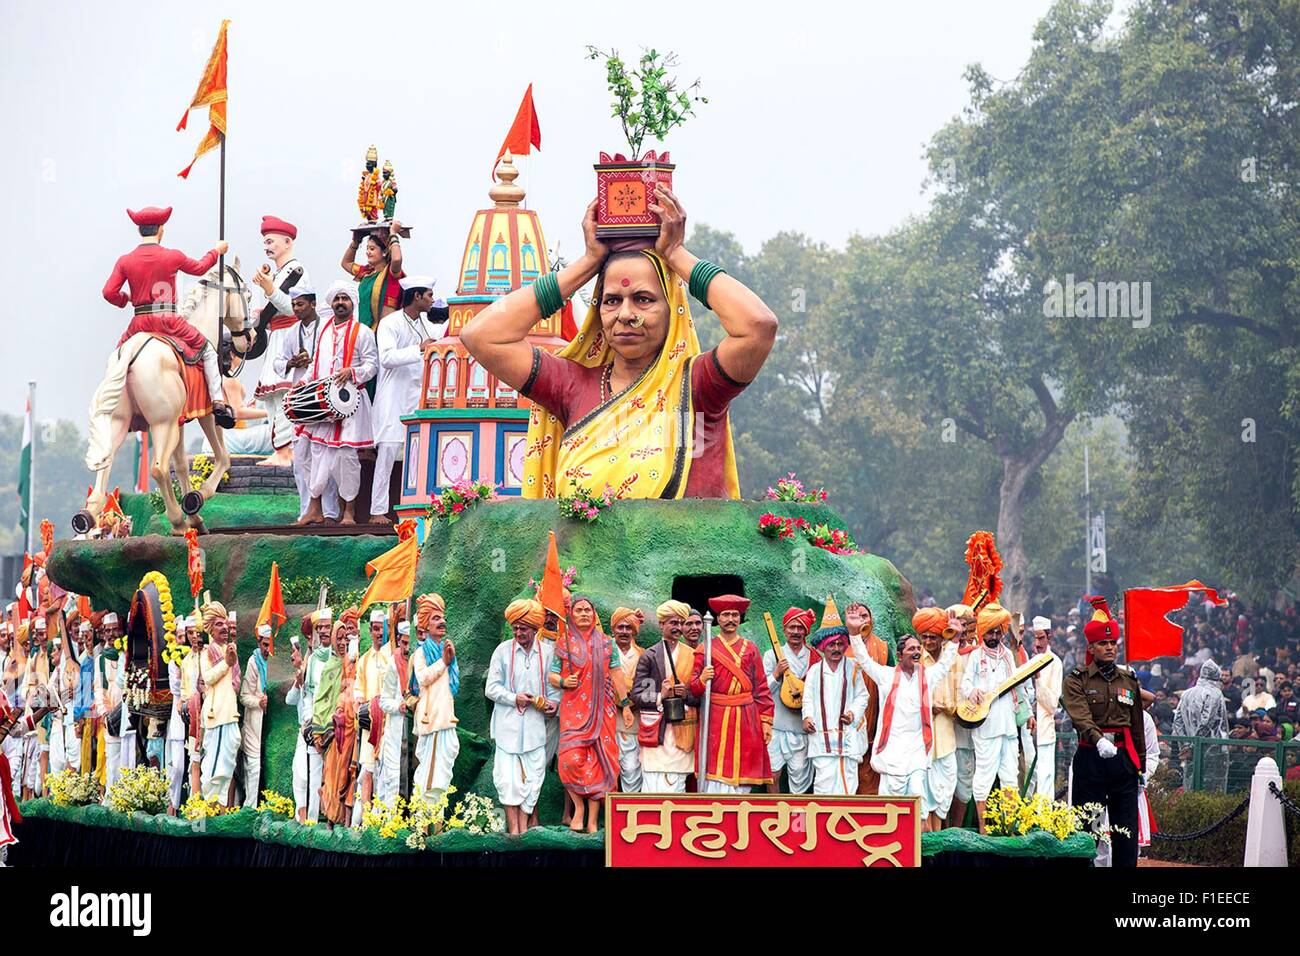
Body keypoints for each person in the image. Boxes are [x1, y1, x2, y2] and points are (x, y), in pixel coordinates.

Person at [461, 186, 777, 500]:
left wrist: (675, 254)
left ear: (673, 309)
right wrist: (587, 263)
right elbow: (481, 336)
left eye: (643, 299)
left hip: (686, 551)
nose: (626, 314)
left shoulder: (697, 387)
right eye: (612, 300)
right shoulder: (572, 387)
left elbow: (758, 326)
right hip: (583, 553)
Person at [102, 206, 233, 424]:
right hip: (169, 321)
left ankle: (112, 407)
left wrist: (125, 298)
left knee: (117, 359)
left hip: (139, 323)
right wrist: (216, 251)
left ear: (139, 231)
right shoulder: (172, 256)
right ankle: (218, 401)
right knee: (208, 350)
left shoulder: (125, 260)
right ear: (161, 229)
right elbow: (200, 268)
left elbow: (108, 292)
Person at [1063, 595, 1146, 867]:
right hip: (1091, 761)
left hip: (1123, 762)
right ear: (1092, 647)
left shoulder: (1129, 679)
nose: (1110, 648)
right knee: (1086, 829)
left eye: (1113, 643)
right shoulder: (1077, 679)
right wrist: (1099, 740)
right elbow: (1080, 716)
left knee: (1126, 831)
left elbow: (1136, 726)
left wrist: (1140, 767)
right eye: (1103, 643)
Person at [857, 625, 959, 828]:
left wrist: (955, 640)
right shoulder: (886, 676)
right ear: (899, 654)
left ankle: (920, 846)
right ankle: (890, 838)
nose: (916, 652)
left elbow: (945, 663)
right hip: (893, 748)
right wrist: (854, 635)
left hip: (917, 748)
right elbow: (864, 661)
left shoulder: (927, 676)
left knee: (917, 792)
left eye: (917, 648)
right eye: (911, 649)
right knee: (893, 798)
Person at [294, 281, 379, 526]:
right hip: (322, 403)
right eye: (337, 299)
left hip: (349, 404)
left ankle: (349, 513)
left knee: (346, 457)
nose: (340, 302)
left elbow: (372, 366)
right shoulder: (324, 331)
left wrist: (353, 372)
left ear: (353, 303)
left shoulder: (362, 332)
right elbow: (315, 364)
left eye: (345, 298)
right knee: (315, 454)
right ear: (331, 303)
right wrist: (305, 382)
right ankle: (314, 509)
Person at [550, 597, 627, 831]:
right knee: (570, 760)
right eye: (579, 610)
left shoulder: (607, 644)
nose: (584, 614)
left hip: (603, 711)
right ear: (571, 615)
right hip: (573, 710)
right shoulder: (563, 644)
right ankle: (578, 808)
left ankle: (592, 819)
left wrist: (627, 704)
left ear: (594, 615)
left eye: (588, 610)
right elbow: (552, 675)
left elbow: (617, 676)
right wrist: (563, 681)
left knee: (601, 762)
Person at [370, 275, 440, 524]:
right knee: (388, 453)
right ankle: (377, 511)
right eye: (429, 295)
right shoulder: (390, 323)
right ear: (417, 296)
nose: (432, 299)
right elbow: (387, 358)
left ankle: (413, 511)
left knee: (417, 455)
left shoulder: (425, 325)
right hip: (392, 400)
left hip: (417, 400)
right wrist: (420, 349)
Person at [688, 595, 774, 793]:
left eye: (735, 615)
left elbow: (761, 687)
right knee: (715, 767)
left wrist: (766, 721)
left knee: (745, 766)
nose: (730, 619)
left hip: (746, 716)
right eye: (726, 615)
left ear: (740, 618)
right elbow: (693, 687)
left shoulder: (751, 649)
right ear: (718, 619)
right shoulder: (706, 648)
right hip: (715, 717)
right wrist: (702, 679)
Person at [485, 599, 557, 834]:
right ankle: (514, 831)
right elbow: (491, 688)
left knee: (534, 780)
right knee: (508, 781)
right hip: (508, 728)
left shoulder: (548, 653)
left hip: (536, 730)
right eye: (515, 628)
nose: (518, 632)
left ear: (535, 629)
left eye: (523, 628)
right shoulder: (502, 651)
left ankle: (524, 829)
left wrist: (552, 705)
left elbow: (555, 691)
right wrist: (514, 698)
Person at [251, 216, 312, 465]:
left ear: (287, 242)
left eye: (271, 241)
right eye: (265, 241)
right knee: (272, 397)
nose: (267, 246)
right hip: (276, 336)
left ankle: (287, 451)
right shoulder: (277, 273)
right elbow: (271, 308)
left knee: (285, 393)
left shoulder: (297, 272)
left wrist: (269, 289)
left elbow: (292, 309)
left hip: (289, 336)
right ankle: (280, 450)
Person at [276, 286, 340, 521]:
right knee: (301, 457)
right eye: (294, 305)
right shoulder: (292, 332)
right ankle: (307, 510)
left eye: (300, 304)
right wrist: (292, 362)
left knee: (325, 455)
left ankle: (330, 512)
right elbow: (278, 363)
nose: (296, 309)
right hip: (302, 399)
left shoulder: (327, 327)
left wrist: (315, 362)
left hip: (324, 397)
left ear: (312, 304)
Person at [959, 603, 1024, 833]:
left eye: (998, 631)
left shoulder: (1008, 656)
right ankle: (983, 828)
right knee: (984, 777)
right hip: (985, 725)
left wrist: (1028, 715)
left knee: (1010, 776)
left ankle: (1009, 827)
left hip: (1008, 725)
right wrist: (972, 691)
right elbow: (965, 683)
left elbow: (1019, 686)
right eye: (990, 632)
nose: (994, 636)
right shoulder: (976, 656)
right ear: (982, 632)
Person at [632, 601, 699, 793]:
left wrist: (684, 694)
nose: (677, 627)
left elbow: (699, 697)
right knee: (653, 784)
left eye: (680, 623)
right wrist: (661, 695)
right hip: (657, 734)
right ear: (662, 625)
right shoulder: (649, 656)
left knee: (677, 785)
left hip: (683, 731)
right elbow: (637, 694)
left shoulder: (692, 656)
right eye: (673, 623)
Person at [802, 625, 869, 795]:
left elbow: (862, 696)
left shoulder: (853, 667)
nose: (836, 649)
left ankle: (845, 820)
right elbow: (808, 698)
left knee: (848, 781)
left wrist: (852, 713)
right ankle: (823, 821)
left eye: (840, 644)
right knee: (823, 782)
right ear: (824, 646)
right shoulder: (815, 670)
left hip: (847, 734)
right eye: (832, 645)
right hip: (822, 736)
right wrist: (807, 717)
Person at [410, 594, 460, 802]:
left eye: (443, 617)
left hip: (446, 719)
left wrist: (447, 660)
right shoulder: (421, 652)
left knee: (444, 772)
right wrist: (443, 662)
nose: (442, 622)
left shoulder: (446, 649)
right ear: (425, 625)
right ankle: (425, 822)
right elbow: (422, 678)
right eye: (436, 618)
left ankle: (435, 820)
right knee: (430, 775)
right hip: (431, 721)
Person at [764, 607, 819, 794]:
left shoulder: (815, 657)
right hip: (776, 726)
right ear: (784, 629)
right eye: (791, 627)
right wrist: (776, 673)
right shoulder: (772, 655)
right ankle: (774, 815)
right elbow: (762, 690)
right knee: (773, 773)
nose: (796, 632)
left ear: (806, 631)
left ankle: (798, 819)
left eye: (800, 628)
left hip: (800, 727)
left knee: (800, 775)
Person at [286, 610, 332, 822]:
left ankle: (313, 819)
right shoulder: (309, 660)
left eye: (326, 626)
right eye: (318, 628)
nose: (322, 631)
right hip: (307, 726)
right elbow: (300, 697)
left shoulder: (333, 657)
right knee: (300, 772)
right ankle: (301, 816)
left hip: (327, 726)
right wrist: (307, 721)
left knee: (317, 776)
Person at [312, 621, 358, 827]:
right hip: (330, 731)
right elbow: (321, 699)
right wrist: (319, 731)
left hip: (348, 728)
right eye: (338, 638)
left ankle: (342, 818)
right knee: (331, 773)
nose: (341, 642)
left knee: (346, 774)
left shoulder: (352, 664)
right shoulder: (330, 667)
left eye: (344, 638)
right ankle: (331, 817)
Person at [918, 608, 959, 828]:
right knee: (925, 786)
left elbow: (962, 693)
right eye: (924, 637)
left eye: (932, 636)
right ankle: (926, 836)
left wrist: (946, 708)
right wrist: (926, 707)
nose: (928, 641)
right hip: (922, 736)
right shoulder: (917, 661)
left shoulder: (953, 659)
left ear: (941, 636)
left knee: (947, 783)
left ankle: (937, 830)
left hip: (946, 733)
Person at [845, 599, 891, 795]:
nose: (862, 620)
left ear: (871, 620)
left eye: (865, 616)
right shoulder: (840, 645)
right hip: (847, 713)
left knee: (870, 761)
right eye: (857, 616)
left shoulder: (882, 647)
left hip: (875, 710)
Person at [198, 602, 241, 805]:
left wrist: (231, 661)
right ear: (210, 630)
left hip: (230, 713)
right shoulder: (208, 652)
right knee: (214, 764)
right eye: (218, 624)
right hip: (216, 715)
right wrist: (226, 663)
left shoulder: (230, 650)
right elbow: (207, 678)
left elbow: (236, 683)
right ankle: (209, 806)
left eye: (225, 624)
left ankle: (221, 805)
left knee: (229, 758)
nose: (224, 628)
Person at [354, 609, 390, 814]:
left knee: (384, 770)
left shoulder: (390, 655)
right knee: (367, 769)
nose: (378, 633)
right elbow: (358, 689)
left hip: (388, 724)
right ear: (370, 630)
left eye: (381, 629)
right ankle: (367, 819)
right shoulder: (364, 660)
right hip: (369, 724)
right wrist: (360, 701)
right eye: (375, 629)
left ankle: (382, 817)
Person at [340, 222, 406, 333]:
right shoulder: (366, 272)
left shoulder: (391, 274)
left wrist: (393, 234)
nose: (367, 252)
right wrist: (355, 242)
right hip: (364, 332)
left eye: (372, 249)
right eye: (367, 248)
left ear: (385, 252)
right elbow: (346, 263)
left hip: (384, 334)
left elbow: (397, 259)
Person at [377, 619, 414, 805]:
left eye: (410, 642)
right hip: (396, 730)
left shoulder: (419, 659)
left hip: (416, 729)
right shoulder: (393, 663)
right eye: (404, 642)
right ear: (399, 640)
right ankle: (391, 825)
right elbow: (384, 701)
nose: (407, 648)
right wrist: (398, 707)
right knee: (393, 778)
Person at [610, 608, 644, 793]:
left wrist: (627, 691)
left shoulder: (643, 654)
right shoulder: (605, 653)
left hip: (632, 723)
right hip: (607, 721)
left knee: (631, 768)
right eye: (620, 627)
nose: (624, 631)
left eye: (628, 627)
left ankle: (630, 814)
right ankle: (609, 815)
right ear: (613, 629)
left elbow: (645, 686)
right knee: (609, 769)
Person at [239, 624, 272, 808]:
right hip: (253, 723)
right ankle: (250, 807)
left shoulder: (276, 662)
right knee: (252, 764)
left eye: (269, 645)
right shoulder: (254, 661)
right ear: (259, 643)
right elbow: (244, 696)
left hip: (270, 723)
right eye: (264, 645)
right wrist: (258, 702)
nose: (267, 649)